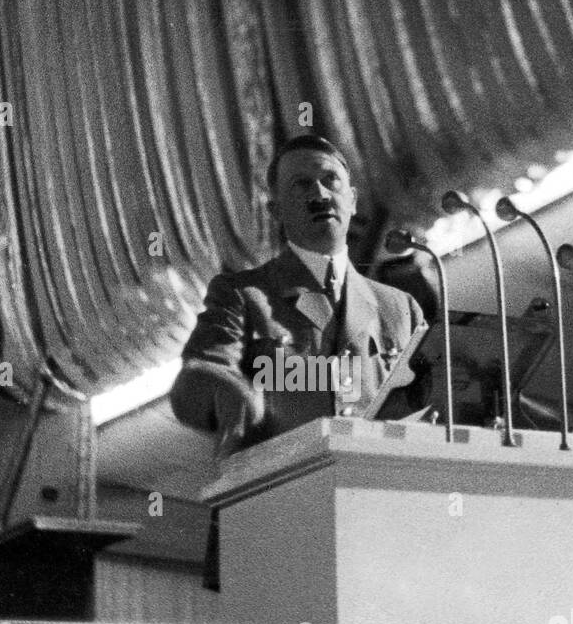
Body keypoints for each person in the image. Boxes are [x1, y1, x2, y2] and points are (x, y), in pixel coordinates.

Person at [170, 133, 427, 588]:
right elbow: (200, 376)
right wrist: (225, 390)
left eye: (330, 181)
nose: (319, 193)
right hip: (273, 521)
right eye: (301, 185)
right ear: (275, 213)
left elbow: (424, 413)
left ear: (351, 199)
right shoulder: (243, 295)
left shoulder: (399, 308)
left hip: (378, 528)